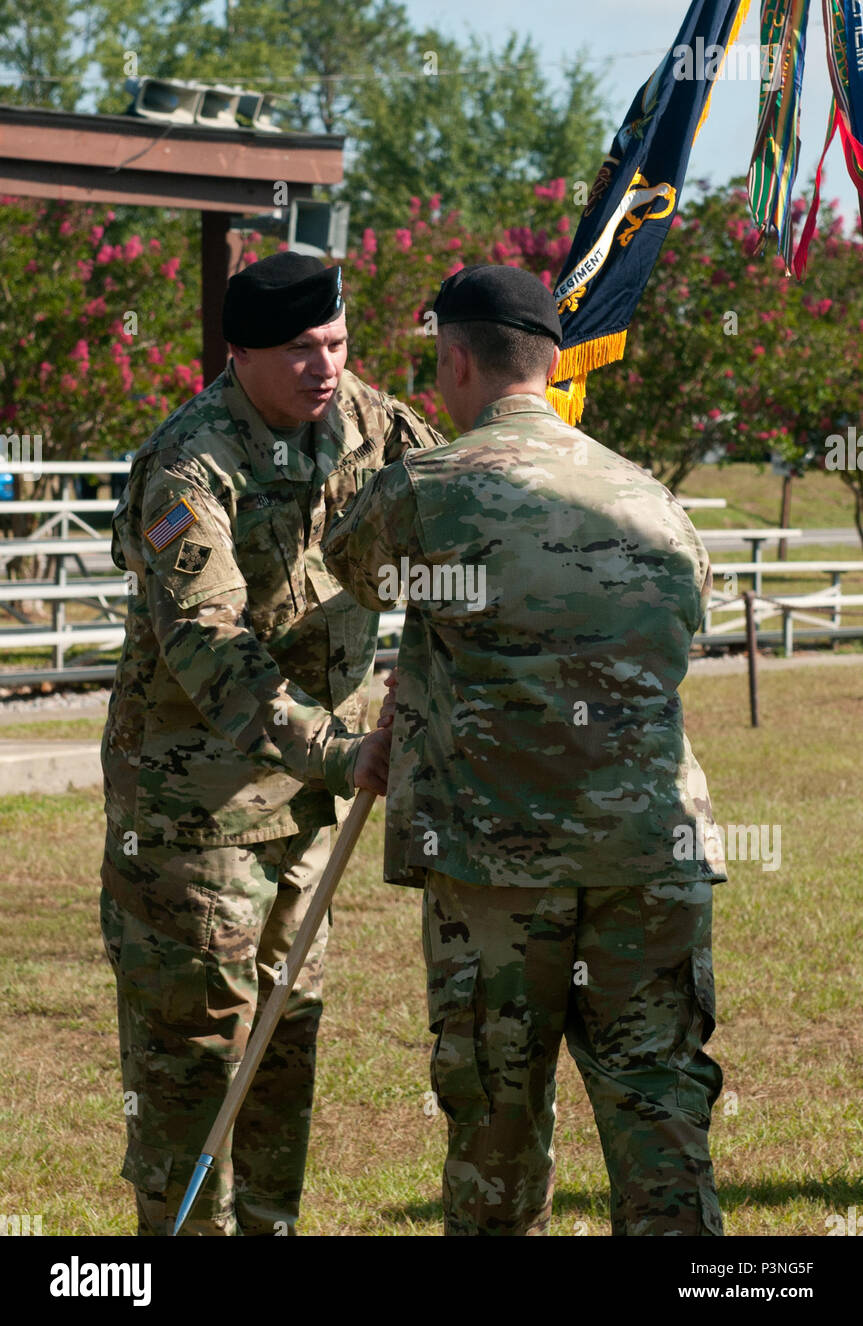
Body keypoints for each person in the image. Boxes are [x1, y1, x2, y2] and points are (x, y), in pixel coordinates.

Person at [322, 263, 728, 1237]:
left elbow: (350, 559)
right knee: (660, 1117)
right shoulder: (652, 501)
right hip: (649, 854)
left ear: (454, 361)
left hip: (501, 868)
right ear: (549, 364)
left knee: (497, 1131)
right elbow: (681, 621)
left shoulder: (426, 491)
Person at [99, 250, 442, 1236]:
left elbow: (455, 520)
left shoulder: (374, 425)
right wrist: (340, 749)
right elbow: (208, 646)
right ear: (237, 352)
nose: (323, 367)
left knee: (285, 1048)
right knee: (196, 1062)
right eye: (297, 350)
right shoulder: (191, 461)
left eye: (335, 342)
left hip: (307, 813)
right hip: (190, 817)